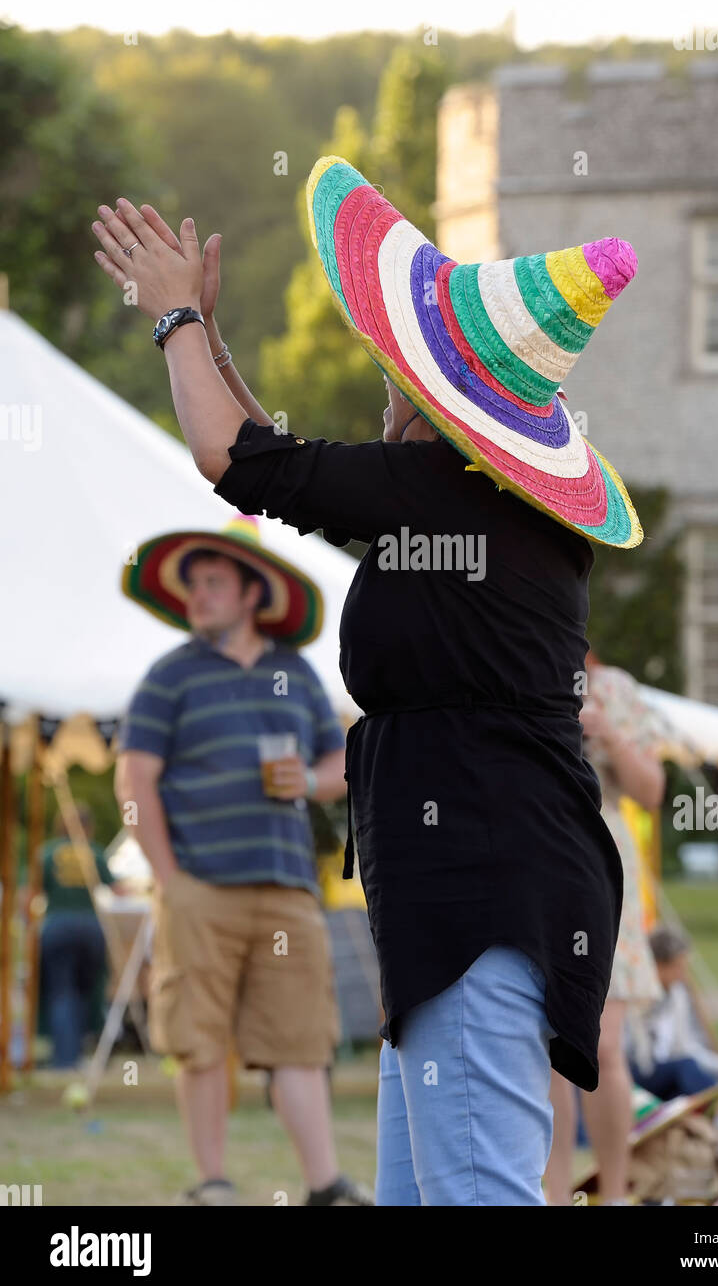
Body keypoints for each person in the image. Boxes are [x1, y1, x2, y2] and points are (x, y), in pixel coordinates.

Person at [92, 154, 643, 1205]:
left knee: (473, 1193)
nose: (386, 380)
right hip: (475, 888)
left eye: (402, 371)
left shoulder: (438, 492)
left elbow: (236, 463)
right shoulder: (479, 504)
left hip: (476, 888)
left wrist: (173, 323)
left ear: (441, 404)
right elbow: (277, 467)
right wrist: (206, 340)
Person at [115, 514, 370, 1206]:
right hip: (198, 887)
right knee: (196, 1041)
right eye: (193, 585)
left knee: (298, 1042)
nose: (198, 596)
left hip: (288, 887)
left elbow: (339, 761)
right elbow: (133, 782)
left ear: (253, 594)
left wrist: (312, 782)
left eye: (213, 583)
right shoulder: (170, 678)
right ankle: (213, 1186)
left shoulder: (294, 673)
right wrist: (170, 881)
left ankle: (323, 1186)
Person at [545, 657, 666, 1205]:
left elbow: (652, 791)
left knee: (605, 1044)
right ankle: (553, 1191)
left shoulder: (616, 688)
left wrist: (607, 731)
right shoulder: (521, 666)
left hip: (605, 864)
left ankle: (615, 1193)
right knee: (547, 1045)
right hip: (539, 855)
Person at [37, 804, 121, 1069]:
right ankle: (82, 1051)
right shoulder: (95, 852)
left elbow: (31, 893)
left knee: (61, 991)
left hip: (57, 925)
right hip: (90, 926)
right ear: (88, 826)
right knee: (87, 991)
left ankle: (64, 1057)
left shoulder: (46, 853)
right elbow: (119, 890)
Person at [626, 927, 718, 1101]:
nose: (683, 976)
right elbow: (631, 1054)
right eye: (678, 968)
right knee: (686, 1069)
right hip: (634, 1074)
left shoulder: (676, 995)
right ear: (658, 965)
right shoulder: (633, 996)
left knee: (691, 1081)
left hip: (664, 1071)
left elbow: (685, 1047)